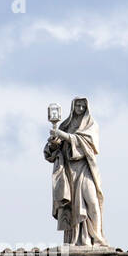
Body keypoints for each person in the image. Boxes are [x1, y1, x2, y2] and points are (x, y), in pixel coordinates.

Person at [43, 96, 106, 247]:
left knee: (92, 202)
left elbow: (87, 144)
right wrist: (54, 141)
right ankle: (75, 239)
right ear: (73, 106)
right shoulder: (65, 125)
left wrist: (63, 135)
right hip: (70, 172)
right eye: (77, 104)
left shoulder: (92, 125)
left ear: (87, 107)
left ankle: (97, 238)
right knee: (73, 208)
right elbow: (51, 151)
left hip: (85, 169)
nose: (80, 107)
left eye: (82, 105)